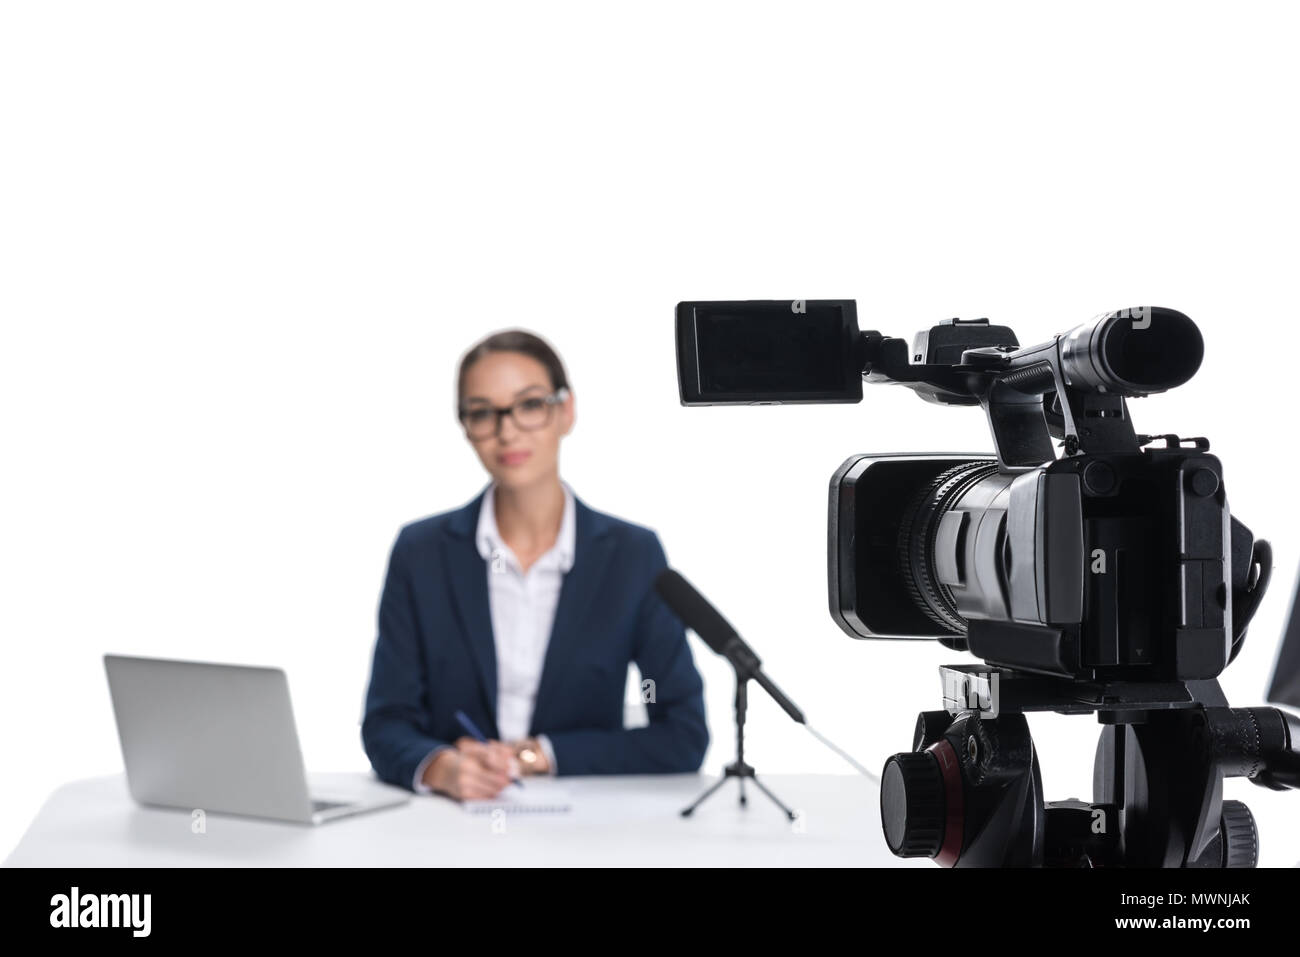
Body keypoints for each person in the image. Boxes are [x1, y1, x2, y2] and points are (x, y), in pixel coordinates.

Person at [361, 329, 709, 799]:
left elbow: (681, 732)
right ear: (465, 426)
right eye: (483, 412)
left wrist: (538, 755)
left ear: (566, 411)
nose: (507, 431)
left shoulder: (631, 556)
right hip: (447, 826)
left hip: (582, 827)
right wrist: (440, 766)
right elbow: (387, 720)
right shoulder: (422, 552)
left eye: (529, 405)